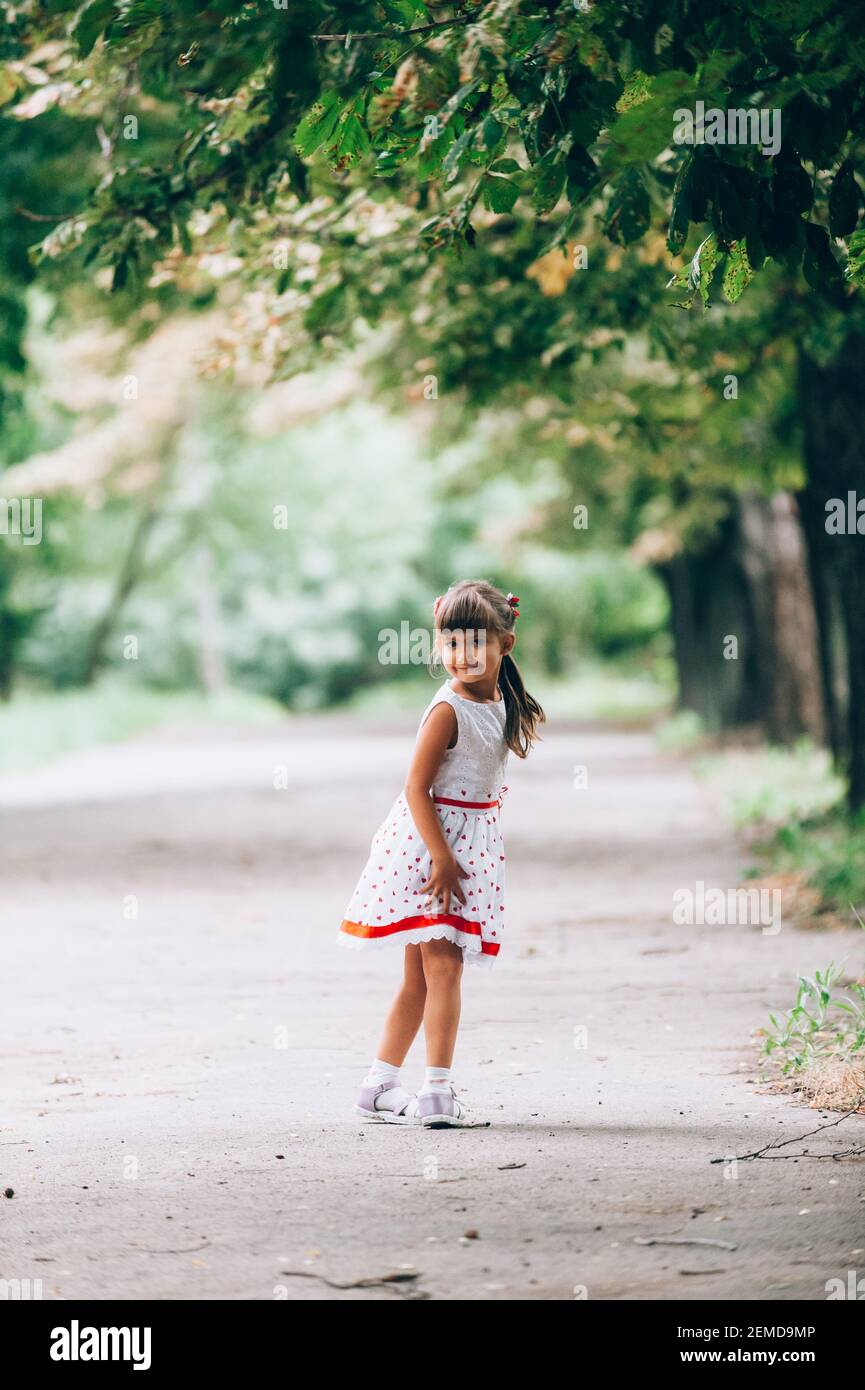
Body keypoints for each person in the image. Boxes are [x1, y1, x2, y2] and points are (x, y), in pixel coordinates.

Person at [338, 579, 545, 1127]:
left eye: (474, 644)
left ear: (506, 644)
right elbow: (415, 789)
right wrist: (442, 858)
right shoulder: (447, 709)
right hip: (429, 852)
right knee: (444, 968)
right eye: (450, 644)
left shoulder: (500, 701)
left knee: (421, 978)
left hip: (465, 848)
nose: (461, 656)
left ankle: (377, 1087)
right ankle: (437, 1093)